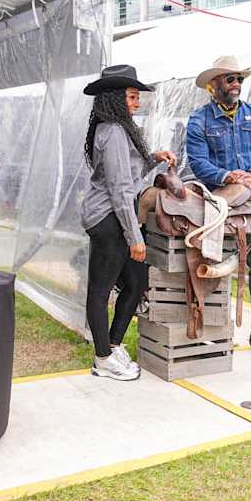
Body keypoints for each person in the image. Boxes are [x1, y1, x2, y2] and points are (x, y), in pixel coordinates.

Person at [80, 64, 178, 381]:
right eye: (133, 97)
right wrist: (135, 237)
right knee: (100, 291)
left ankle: (112, 344)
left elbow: (129, 175)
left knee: (136, 284)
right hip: (109, 219)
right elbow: (121, 189)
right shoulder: (112, 132)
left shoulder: (120, 129)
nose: (138, 102)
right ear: (115, 99)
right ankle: (102, 359)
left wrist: (154, 157)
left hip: (119, 214)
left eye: (138, 97)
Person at [185, 55, 251, 360]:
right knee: (211, 264)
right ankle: (208, 332)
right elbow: (198, 162)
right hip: (220, 203)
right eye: (230, 79)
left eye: (239, 79)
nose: (237, 84)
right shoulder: (199, 120)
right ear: (214, 85)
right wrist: (228, 176)